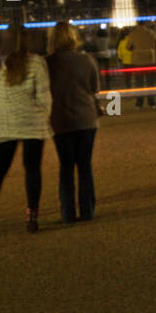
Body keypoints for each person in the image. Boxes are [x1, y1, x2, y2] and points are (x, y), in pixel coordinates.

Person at [0, 21, 51, 234]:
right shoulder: (36, 62)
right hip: (31, 120)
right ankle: (32, 214)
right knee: (32, 169)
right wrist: (43, 115)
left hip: (4, 121)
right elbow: (44, 95)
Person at [46, 21, 101, 224]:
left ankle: (67, 213)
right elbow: (94, 87)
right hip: (86, 119)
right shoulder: (86, 60)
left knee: (66, 167)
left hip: (60, 120)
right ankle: (88, 210)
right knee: (85, 166)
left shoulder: (47, 63)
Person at [122, 22, 156, 109]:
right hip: (150, 59)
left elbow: (128, 47)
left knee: (139, 82)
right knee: (150, 82)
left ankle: (139, 102)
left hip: (138, 60)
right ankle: (152, 102)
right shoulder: (151, 33)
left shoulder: (133, 34)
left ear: (137, 25)